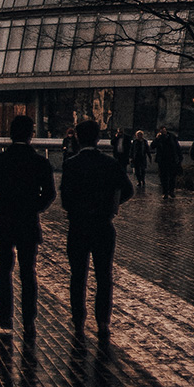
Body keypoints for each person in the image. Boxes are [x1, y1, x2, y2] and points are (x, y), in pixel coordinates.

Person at [0, 115, 56, 337]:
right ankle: (29, 319)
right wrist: (35, 208)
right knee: (28, 272)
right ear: (31, 134)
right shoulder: (40, 162)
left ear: (11, 134)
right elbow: (49, 194)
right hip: (28, 222)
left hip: (5, 220)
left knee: (4, 270)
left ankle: (5, 316)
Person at [60, 120, 133, 339]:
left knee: (78, 275)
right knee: (104, 275)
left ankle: (78, 319)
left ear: (78, 138)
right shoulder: (110, 163)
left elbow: (65, 199)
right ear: (98, 138)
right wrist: (111, 205)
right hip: (103, 225)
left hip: (78, 226)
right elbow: (128, 190)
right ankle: (102, 321)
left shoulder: (71, 164)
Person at [153, 125, 183, 199]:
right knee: (164, 177)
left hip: (171, 159)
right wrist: (156, 139)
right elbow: (152, 146)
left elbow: (177, 147)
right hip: (162, 160)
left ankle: (171, 191)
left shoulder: (172, 137)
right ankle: (165, 192)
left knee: (172, 176)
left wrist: (179, 157)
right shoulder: (159, 138)